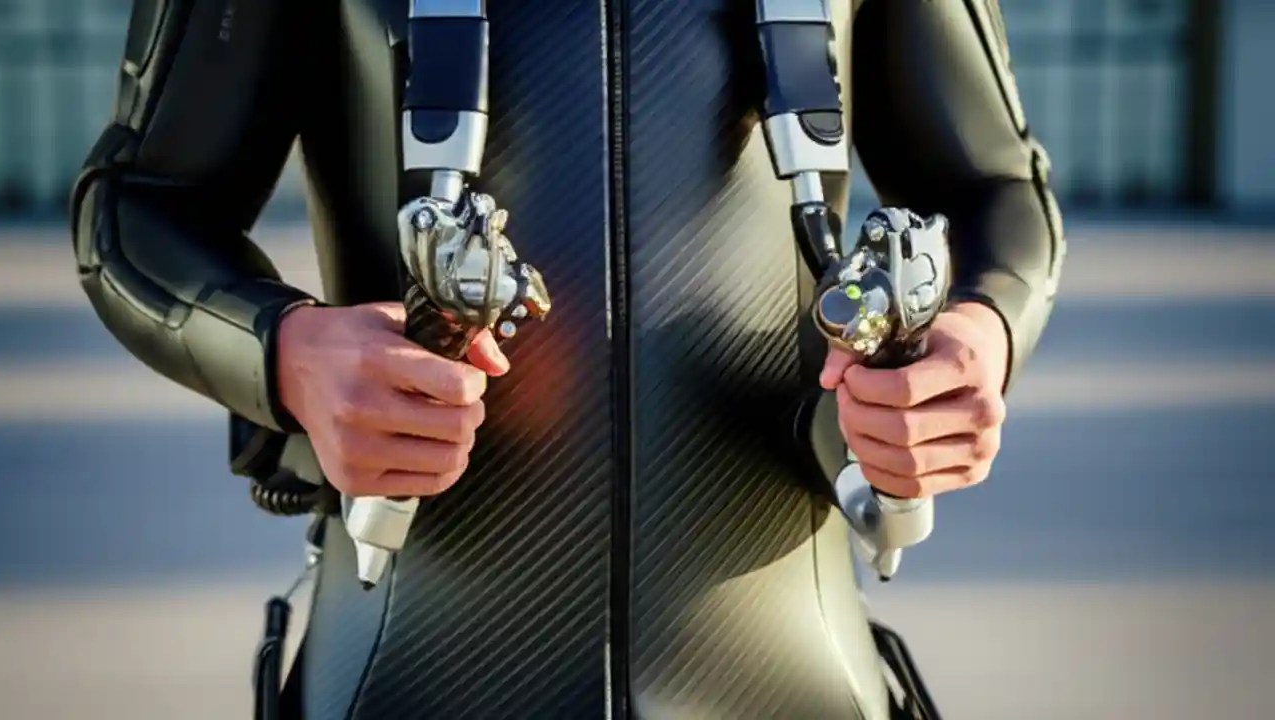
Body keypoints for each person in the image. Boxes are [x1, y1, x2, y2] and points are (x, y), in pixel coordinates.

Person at [69, 0, 1063, 717]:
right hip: (410, 670)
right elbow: (140, 203)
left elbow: (994, 185)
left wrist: (974, 337)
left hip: (791, 673)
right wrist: (287, 353)